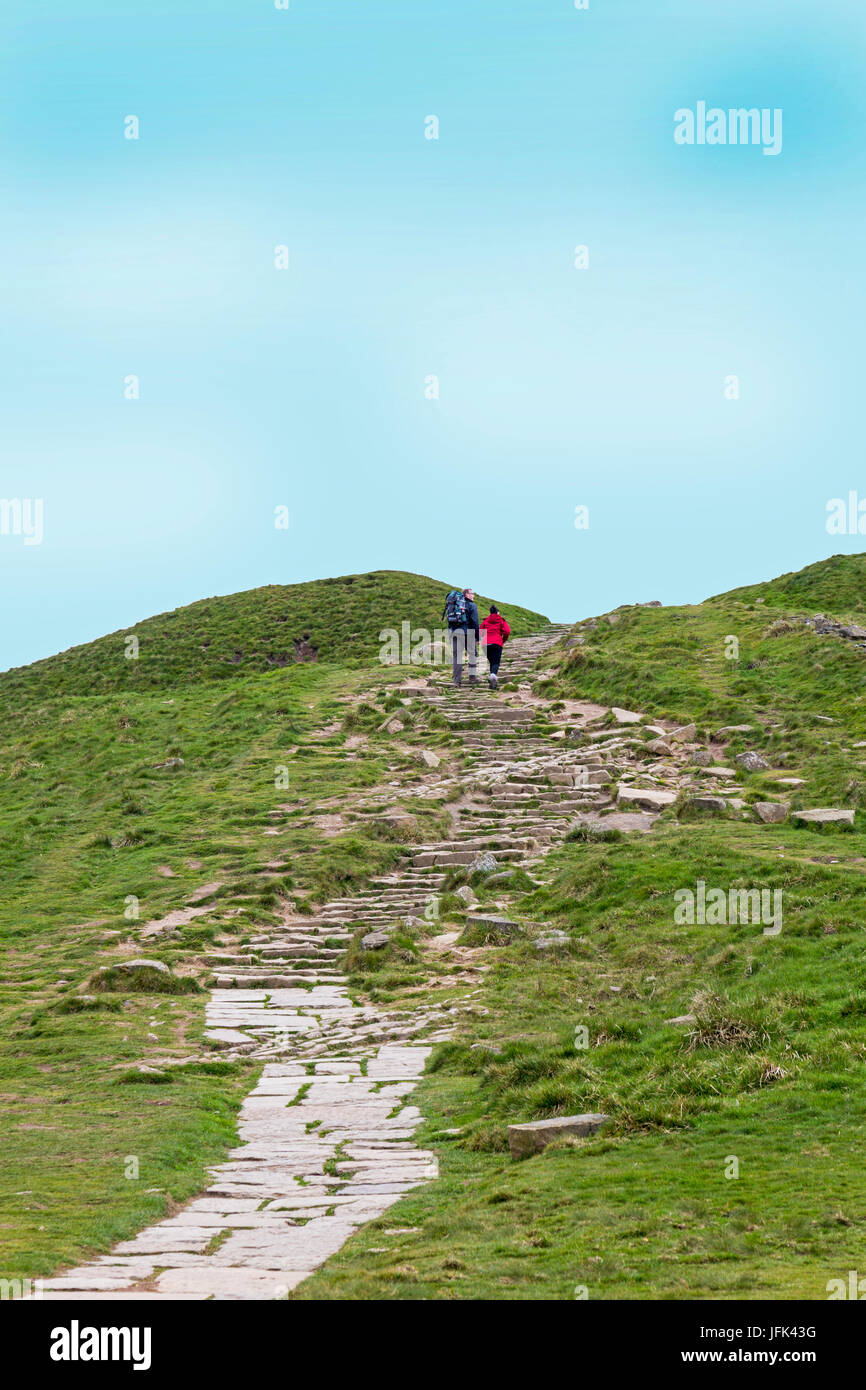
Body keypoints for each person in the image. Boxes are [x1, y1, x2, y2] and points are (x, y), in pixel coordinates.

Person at [442, 586, 480, 686]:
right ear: (467, 594)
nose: (473, 595)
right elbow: (475, 621)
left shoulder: (454, 604)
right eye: (472, 594)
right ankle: (472, 678)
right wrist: (477, 636)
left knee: (457, 656)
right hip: (468, 633)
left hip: (454, 632)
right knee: (472, 654)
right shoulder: (472, 605)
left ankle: (457, 681)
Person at [480, 605, 511, 688]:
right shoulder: (501, 620)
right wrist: (503, 640)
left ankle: (492, 682)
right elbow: (507, 631)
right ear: (497, 613)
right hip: (497, 643)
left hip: (485, 644)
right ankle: (493, 676)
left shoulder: (486, 621)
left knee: (492, 662)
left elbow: (480, 632)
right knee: (495, 663)